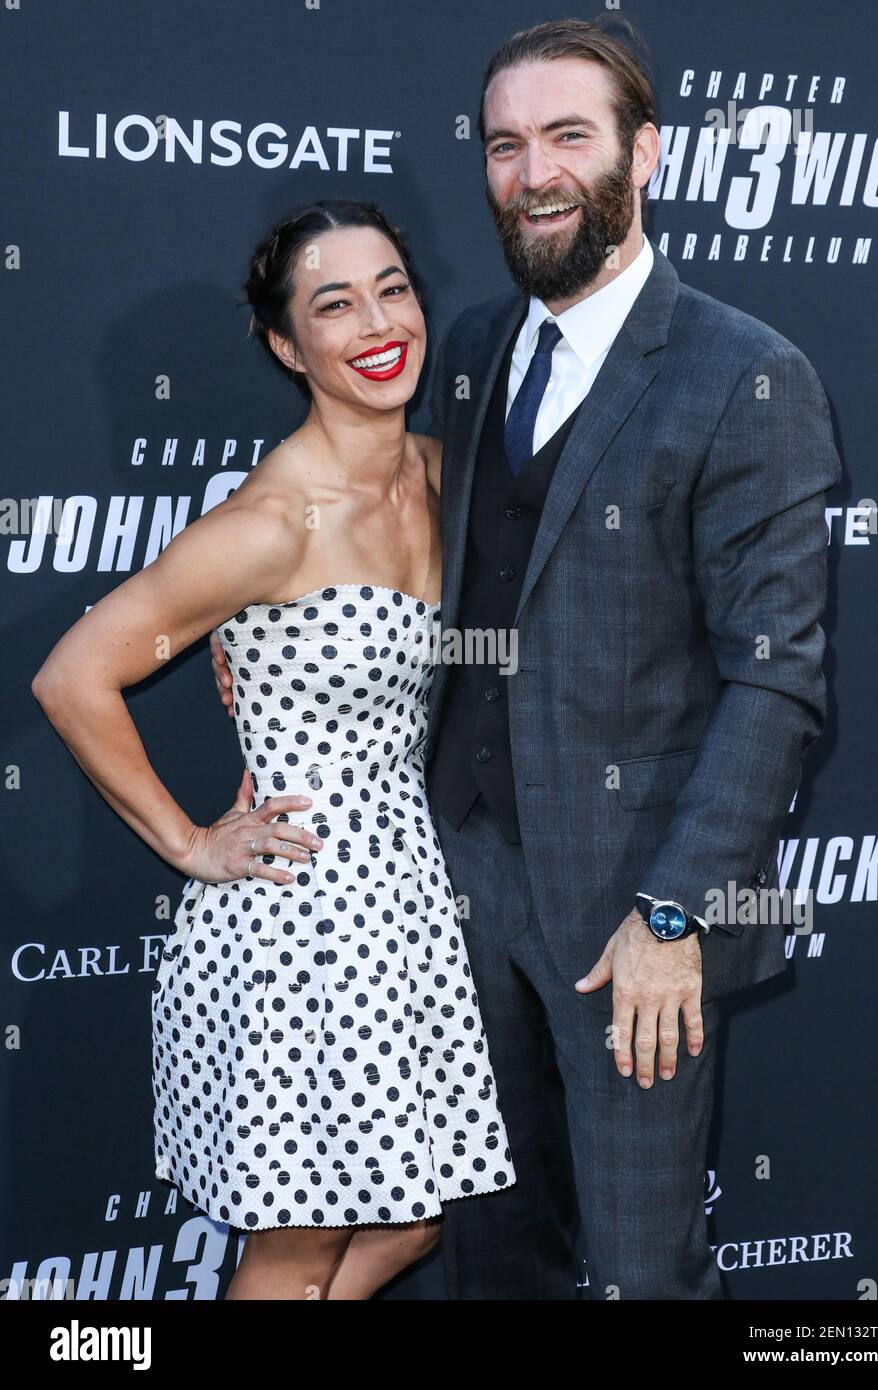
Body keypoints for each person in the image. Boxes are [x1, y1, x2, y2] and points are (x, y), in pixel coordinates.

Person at [214, 17, 842, 1301]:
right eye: (506, 145)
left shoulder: (745, 375)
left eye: (567, 136)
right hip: (446, 892)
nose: (534, 171)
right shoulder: (469, 354)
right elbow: (365, 515)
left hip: (631, 915)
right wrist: (248, 619)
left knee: (639, 1269)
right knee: (496, 1258)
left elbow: (779, 679)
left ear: (643, 154)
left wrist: (675, 912)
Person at [30, 200, 516, 1301]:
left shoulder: (440, 477)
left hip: (400, 905)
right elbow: (73, 675)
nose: (377, 321)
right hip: (298, 918)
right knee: (297, 1249)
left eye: (393, 287)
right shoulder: (270, 524)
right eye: (334, 304)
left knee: (413, 1221)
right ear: (289, 347)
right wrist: (191, 843)